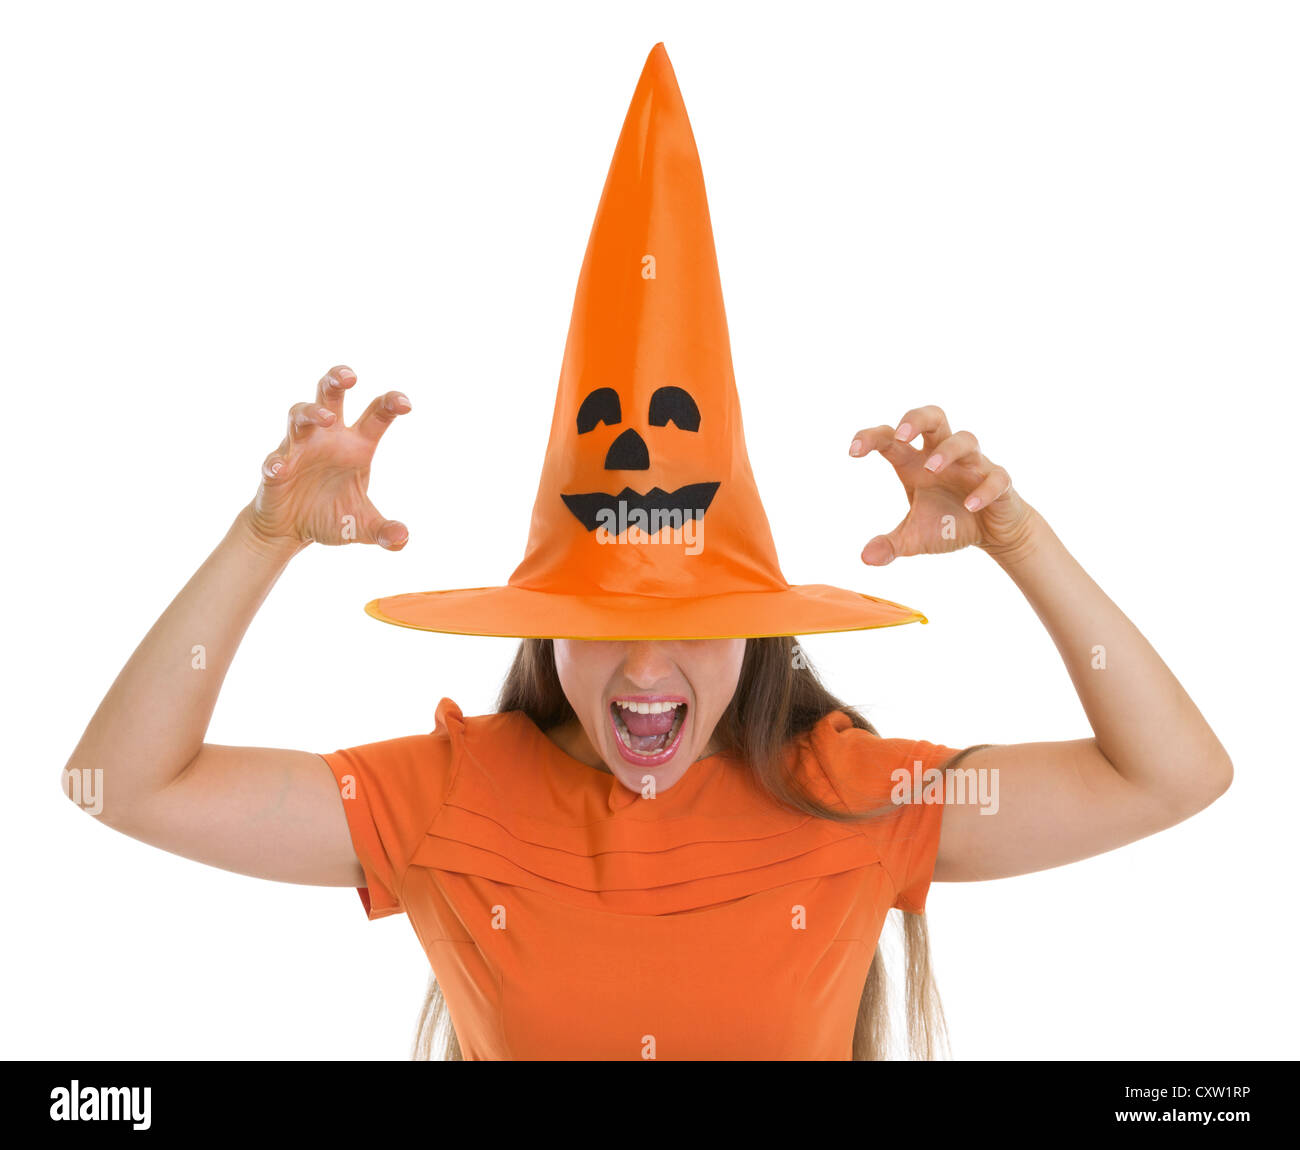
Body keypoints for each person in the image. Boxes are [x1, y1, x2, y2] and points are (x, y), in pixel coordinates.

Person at [62, 44, 1233, 1061]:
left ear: (761, 622)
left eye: (693, 612)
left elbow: (1174, 776)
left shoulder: (850, 797)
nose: (643, 671)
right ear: (544, 623)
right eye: (605, 619)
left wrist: (1016, 538)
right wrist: (263, 534)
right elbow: (122, 784)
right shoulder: (447, 800)